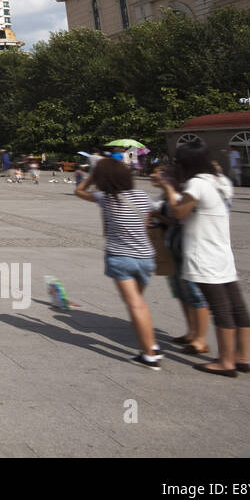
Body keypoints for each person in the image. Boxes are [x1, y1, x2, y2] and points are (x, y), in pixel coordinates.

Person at [158, 145, 250, 377]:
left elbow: (179, 212)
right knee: (237, 306)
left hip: (205, 255)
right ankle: (242, 357)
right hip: (222, 252)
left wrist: (170, 189)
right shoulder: (220, 182)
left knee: (220, 308)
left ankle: (225, 362)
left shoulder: (197, 184)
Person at [75, 157, 162, 369]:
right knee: (139, 303)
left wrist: (91, 177)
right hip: (146, 258)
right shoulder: (142, 196)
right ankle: (151, 344)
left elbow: (79, 191)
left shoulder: (106, 198)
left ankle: (149, 353)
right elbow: (152, 217)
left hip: (121, 258)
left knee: (135, 304)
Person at [148, 164, 210, 356]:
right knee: (180, 292)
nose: (154, 175)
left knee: (194, 292)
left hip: (186, 250)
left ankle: (201, 339)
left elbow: (178, 219)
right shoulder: (163, 196)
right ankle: (191, 331)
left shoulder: (182, 195)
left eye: (161, 173)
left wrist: (157, 214)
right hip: (171, 249)